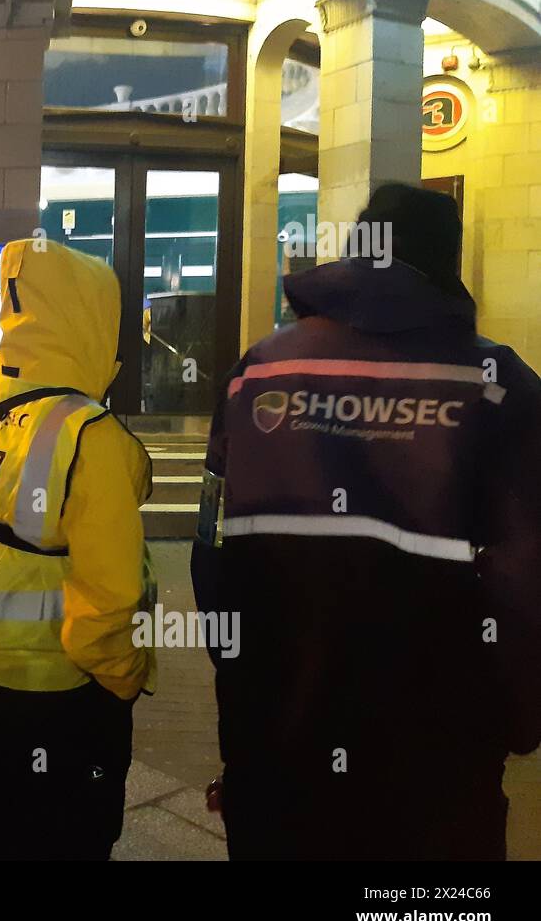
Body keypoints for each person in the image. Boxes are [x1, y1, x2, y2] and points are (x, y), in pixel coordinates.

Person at [192, 183, 541, 861]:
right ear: (446, 265)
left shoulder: (256, 373)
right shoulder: (499, 387)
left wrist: (251, 698)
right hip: (436, 786)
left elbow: (211, 557)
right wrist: (512, 722)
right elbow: (525, 584)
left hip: (275, 767)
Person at [0, 238, 153, 861]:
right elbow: (111, 598)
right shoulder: (92, 437)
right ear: (90, 319)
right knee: (68, 833)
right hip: (59, 682)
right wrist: (123, 681)